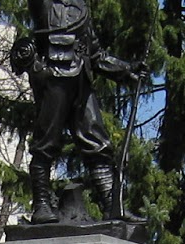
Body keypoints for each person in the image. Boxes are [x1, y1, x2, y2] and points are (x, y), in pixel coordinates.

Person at [12, 0, 140, 223]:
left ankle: (113, 205)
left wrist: (127, 69)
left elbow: (96, 54)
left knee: (97, 143)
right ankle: (41, 205)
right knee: (46, 144)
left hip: (82, 79)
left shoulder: (81, 6)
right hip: (53, 77)